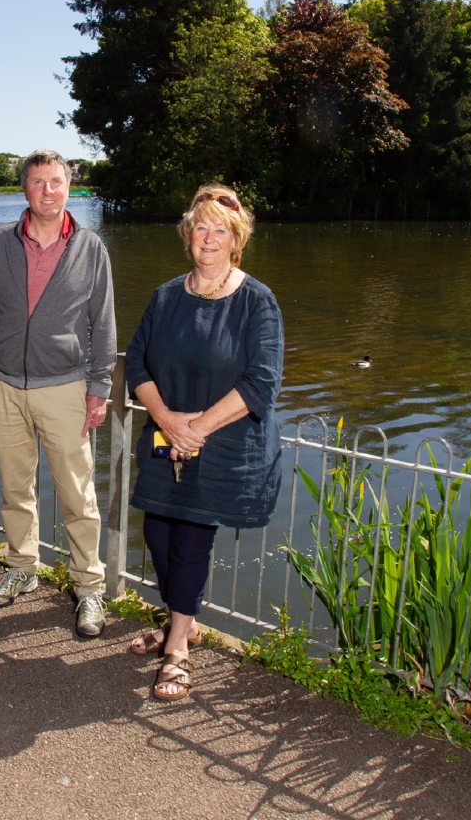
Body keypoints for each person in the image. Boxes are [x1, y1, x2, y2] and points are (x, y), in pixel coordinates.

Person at [124, 184, 284, 700]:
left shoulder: (257, 301)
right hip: (166, 436)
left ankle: (177, 648)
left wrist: (197, 428)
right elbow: (137, 363)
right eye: (200, 228)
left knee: (191, 540)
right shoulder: (167, 296)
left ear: (236, 240)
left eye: (221, 230)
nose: (209, 238)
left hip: (222, 445)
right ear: (187, 236)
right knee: (157, 536)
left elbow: (261, 383)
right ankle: (185, 620)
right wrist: (167, 419)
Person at [0, 150, 117, 637]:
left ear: (68, 188)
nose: (48, 190)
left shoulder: (90, 247)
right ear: (25, 189)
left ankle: (89, 587)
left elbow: (104, 323)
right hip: (6, 386)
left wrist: (100, 388)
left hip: (66, 389)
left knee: (77, 494)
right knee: (15, 489)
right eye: (38, 182)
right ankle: (22, 568)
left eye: (56, 181)